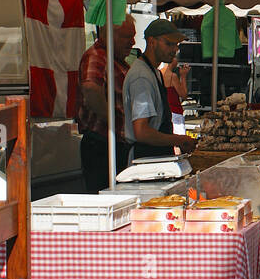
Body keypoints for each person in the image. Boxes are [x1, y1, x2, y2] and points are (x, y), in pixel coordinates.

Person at [123, 18, 199, 161]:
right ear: (152, 42)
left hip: (156, 156)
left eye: (176, 45)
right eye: (169, 44)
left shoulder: (154, 72)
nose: (175, 50)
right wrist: (178, 140)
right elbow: (141, 132)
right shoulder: (142, 77)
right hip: (146, 158)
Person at [74, 16, 136, 192]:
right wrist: (113, 122)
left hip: (111, 141)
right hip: (102, 143)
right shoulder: (97, 56)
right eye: (127, 37)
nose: (132, 42)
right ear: (111, 35)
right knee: (106, 194)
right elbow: (90, 89)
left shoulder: (113, 58)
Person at [160, 52, 189, 132]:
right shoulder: (172, 76)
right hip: (175, 112)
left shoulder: (159, 73)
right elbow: (184, 95)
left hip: (164, 112)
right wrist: (183, 76)